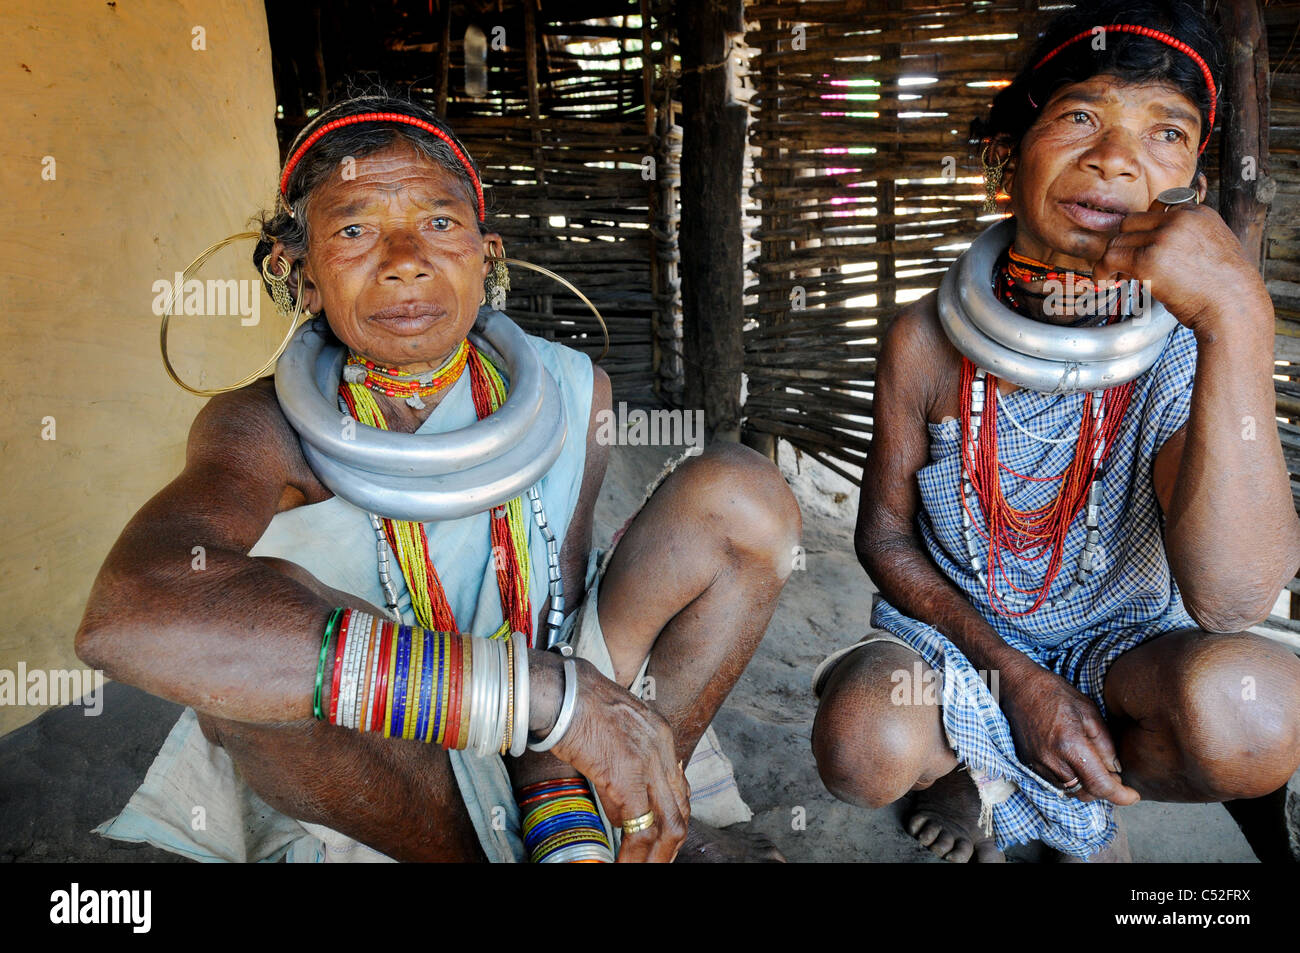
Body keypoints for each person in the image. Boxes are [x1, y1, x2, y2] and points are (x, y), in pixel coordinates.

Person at [77, 93, 801, 863]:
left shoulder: (568, 387)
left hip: (554, 702)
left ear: (485, 258)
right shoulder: (260, 427)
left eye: (439, 222)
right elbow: (126, 616)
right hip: (394, 752)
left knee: (741, 494)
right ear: (303, 277)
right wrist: (535, 695)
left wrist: (550, 736)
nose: (405, 259)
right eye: (355, 230)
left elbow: (556, 589)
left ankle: (625, 805)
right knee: (244, 679)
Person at [811, 0, 1300, 862]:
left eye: (1167, 133)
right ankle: (966, 769)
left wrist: (1239, 319)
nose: (1116, 157)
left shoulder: (1190, 347)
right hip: (958, 641)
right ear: (1008, 155)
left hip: (1120, 649)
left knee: (1257, 714)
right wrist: (1019, 680)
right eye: (1081, 116)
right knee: (861, 738)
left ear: (1188, 181)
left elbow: (1232, 601)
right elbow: (884, 537)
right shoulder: (926, 340)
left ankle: (1051, 785)